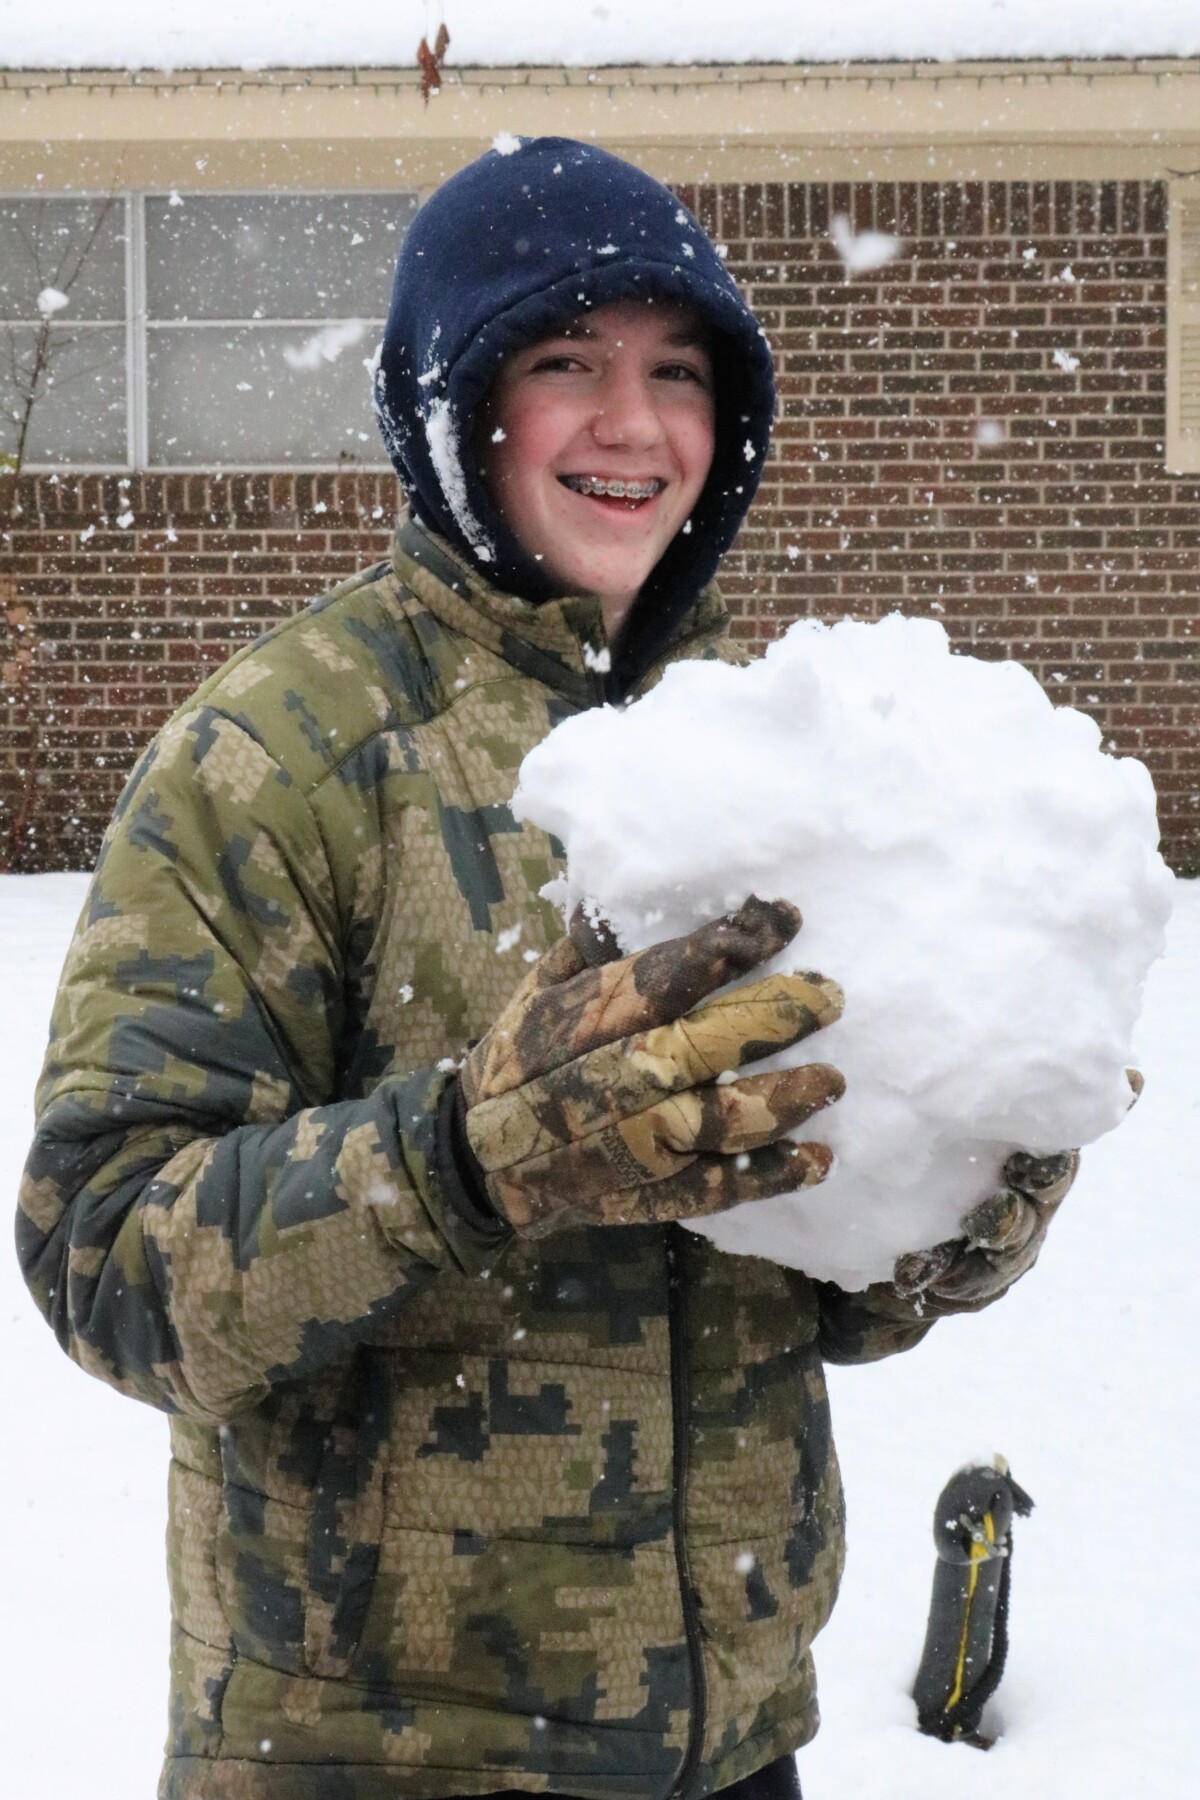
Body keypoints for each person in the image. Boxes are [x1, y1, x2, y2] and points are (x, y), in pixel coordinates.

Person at [16, 138, 1077, 1800]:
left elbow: (799, 1287)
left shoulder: (778, 749)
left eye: (676, 371)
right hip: (373, 1755)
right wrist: (456, 1162)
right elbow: (102, 1262)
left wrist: (949, 1197)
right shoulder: (280, 755)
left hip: (732, 1742)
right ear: (456, 414)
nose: (632, 422)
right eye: (564, 361)